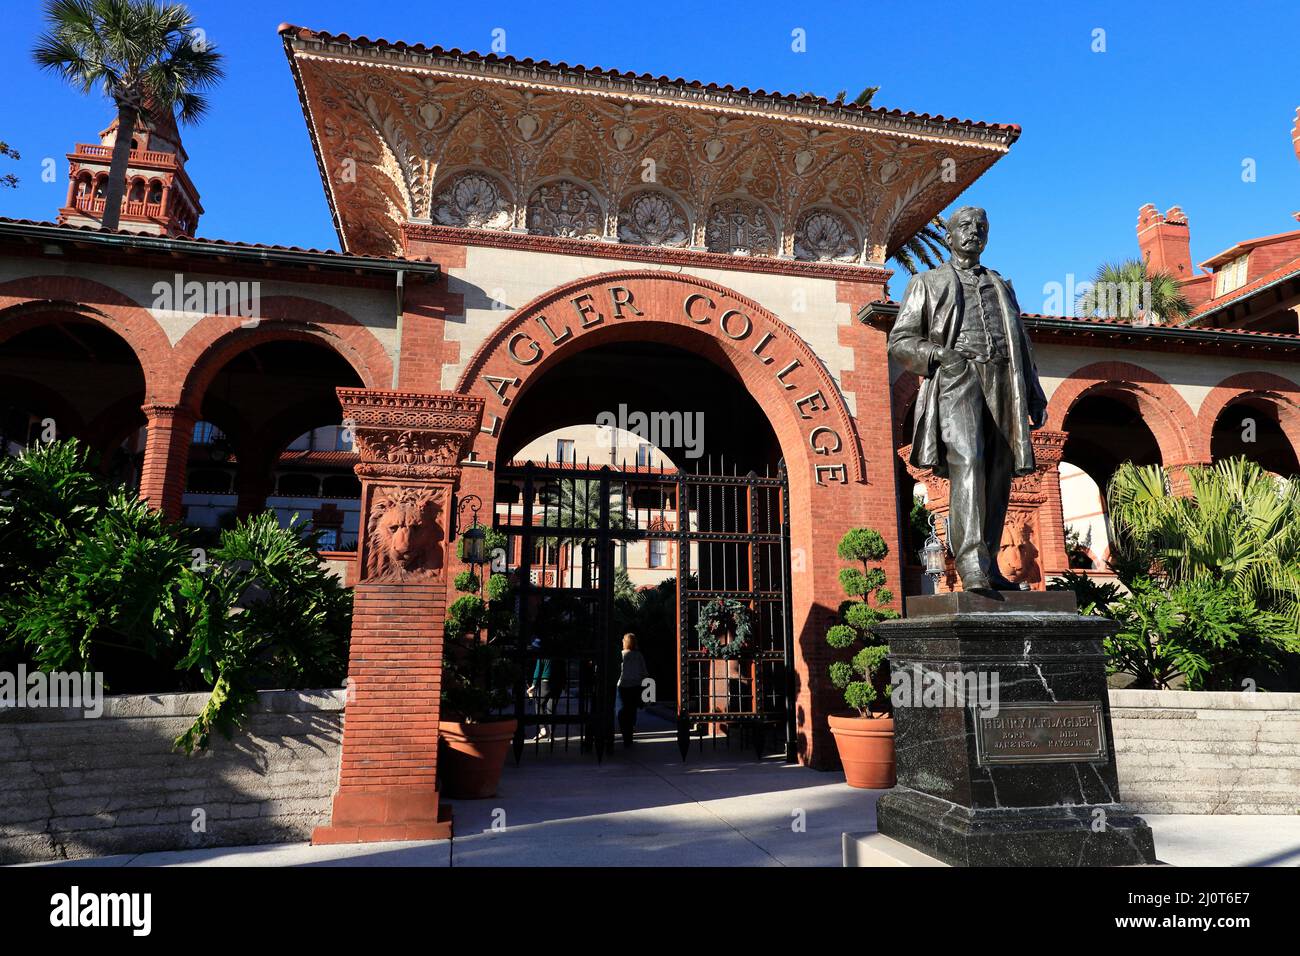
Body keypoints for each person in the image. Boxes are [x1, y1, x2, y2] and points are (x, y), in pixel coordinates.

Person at [886, 205, 1049, 593]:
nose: (973, 231)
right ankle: (971, 562)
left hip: (1003, 381)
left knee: (997, 469)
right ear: (949, 237)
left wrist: (1034, 392)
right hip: (958, 378)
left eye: (980, 227)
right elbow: (900, 340)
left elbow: (1021, 344)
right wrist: (940, 355)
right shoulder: (927, 282)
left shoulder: (1000, 285)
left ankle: (988, 565)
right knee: (968, 459)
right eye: (964, 226)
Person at [616, 633, 649, 748]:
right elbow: (644, 672)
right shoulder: (639, 655)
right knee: (632, 711)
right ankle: (629, 735)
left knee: (623, 710)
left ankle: (625, 733)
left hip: (623, 685)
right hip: (636, 686)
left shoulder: (621, 655)